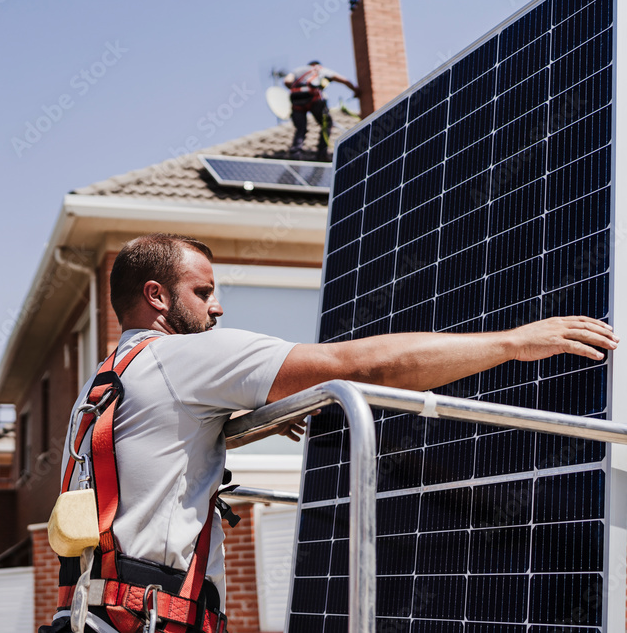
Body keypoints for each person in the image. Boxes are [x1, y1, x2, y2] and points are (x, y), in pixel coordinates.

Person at [43, 233, 617, 633]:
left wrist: (243, 423)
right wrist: (514, 343)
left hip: (90, 616)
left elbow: (161, 453)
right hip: (146, 619)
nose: (217, 309)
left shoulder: (107, 384)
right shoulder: (183, 356)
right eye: (203, 292)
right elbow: (361, 365)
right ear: (157, 296)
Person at [285, 60, 360, 161]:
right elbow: (344, 80)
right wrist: (355, 90)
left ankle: (295, 153)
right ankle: (322, 154)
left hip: (296, 100)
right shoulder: (320, 70)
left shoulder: (297, 71)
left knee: (300, 128)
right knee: (327, 123)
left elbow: (287, 81)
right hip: (314, 99)